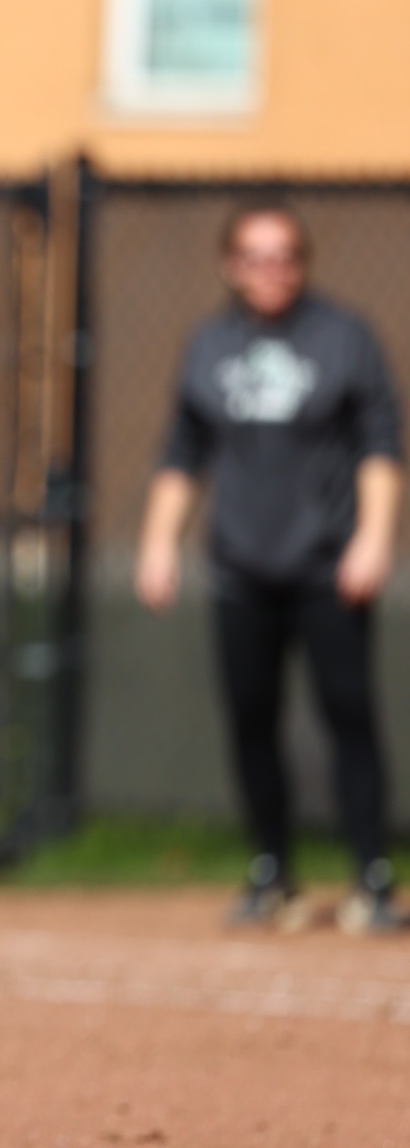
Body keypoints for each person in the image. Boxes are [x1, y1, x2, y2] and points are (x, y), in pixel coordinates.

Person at [135, 203, 404, 933]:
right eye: (255, 255)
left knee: (349, 716)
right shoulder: (210, 344)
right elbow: (182, 451)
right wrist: (160, 540)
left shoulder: (343, 336)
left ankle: (373, 879)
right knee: (252, 721)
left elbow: (382, 442)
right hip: (240, 567)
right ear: (230, 265)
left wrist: (374, 538)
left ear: (303, 261)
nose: (271, 268)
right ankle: (272, 873)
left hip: (326, 566)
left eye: (284, 254)